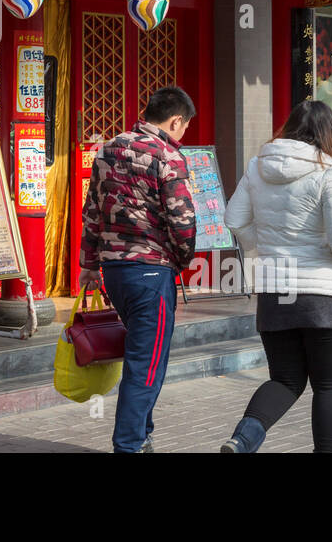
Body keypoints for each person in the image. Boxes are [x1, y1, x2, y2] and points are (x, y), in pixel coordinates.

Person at [219, 99, 332, 453]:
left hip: (274, 291)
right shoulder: (331, 171)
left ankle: (242, 439)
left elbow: (234, 220)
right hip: (325, 295)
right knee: (329, 385)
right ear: (330, 134)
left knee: (285, 379)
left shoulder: (257, 167)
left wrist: (265, 248)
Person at [79, 86, 197, 454]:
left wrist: (89, 265)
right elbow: (183, 221)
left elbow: (93, 211)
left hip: (115, 271)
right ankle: (128, 445)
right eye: (185, 126)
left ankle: (141, 434)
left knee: (144, 357)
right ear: (176, 119)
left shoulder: (109, 148)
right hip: (150, 272)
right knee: (146, 365)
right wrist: (181, 261)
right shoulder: (168, 156)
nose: (183, 134)